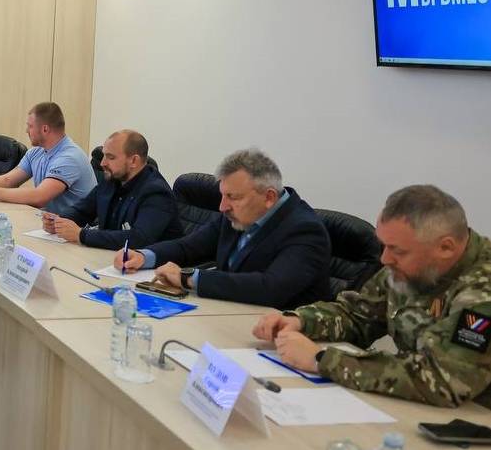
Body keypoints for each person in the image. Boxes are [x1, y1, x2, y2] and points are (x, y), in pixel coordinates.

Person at [254, 185, 491, 407]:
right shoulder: (406, 267)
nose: (385, 259)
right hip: (419, 407)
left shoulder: (481, 293)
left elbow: (445, 380)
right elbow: (357, 315)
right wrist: (301, 321)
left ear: (446, 248)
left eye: (397, 250)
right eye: (384, 246)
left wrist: (321, 359)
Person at [115, 148, 330, 309]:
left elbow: (269, 288)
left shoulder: (305, 230)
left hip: (282, 336)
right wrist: (144, 256)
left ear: (269, 197)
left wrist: (188, 278)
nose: (222, 207)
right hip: (228, 313)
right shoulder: (237, 215)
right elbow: (188, 247)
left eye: (233, 197)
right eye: (223, 195)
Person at [41, 129, 181, 249]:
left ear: (134, 161)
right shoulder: (112, 180)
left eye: (111, 157)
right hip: (110, 258)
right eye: (104, 156)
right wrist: (59, 221)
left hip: (153, 268)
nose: (102, 163)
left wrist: (81, 235)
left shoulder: (156, 193)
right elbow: (82, 210)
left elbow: (138, 239)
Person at [0, 102, 96, 214]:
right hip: (50, 224)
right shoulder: (36, 152)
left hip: (75, 229)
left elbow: (39, 197)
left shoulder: (69, 158)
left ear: (45, 129)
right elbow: (8, 180)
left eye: (30, 126)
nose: (26, 131)